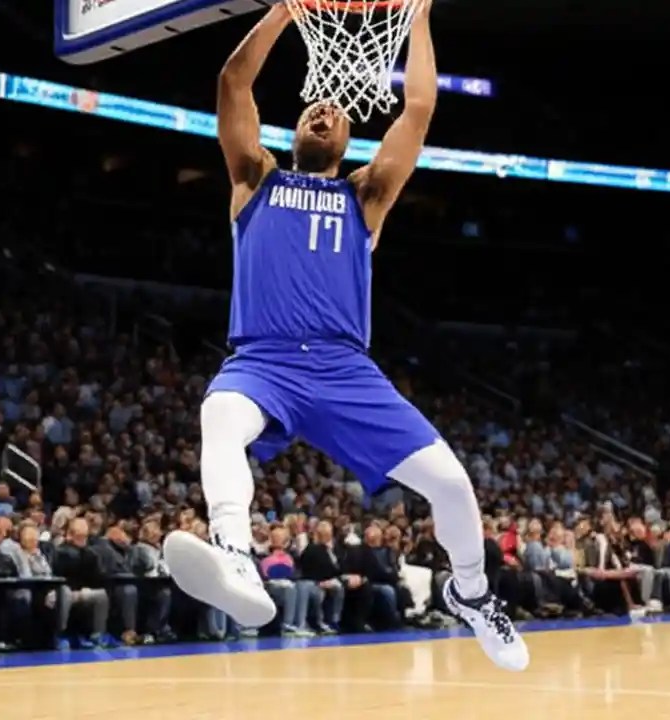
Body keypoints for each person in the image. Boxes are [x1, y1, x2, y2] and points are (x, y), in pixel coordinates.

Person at [161, 0, 528, 671]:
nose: (323, 111)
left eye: (335, 112)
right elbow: (232, 84)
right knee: (218, 416)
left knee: (452, 485)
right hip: (262, 361)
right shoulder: (254, 180)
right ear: (295, 126)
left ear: (350, 139)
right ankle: (237, 558)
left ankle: (472, 593)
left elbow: (416, 109)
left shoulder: (367, 195)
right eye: (311, 109)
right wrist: (282, 11)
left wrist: (418, 15)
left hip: (343, 368)